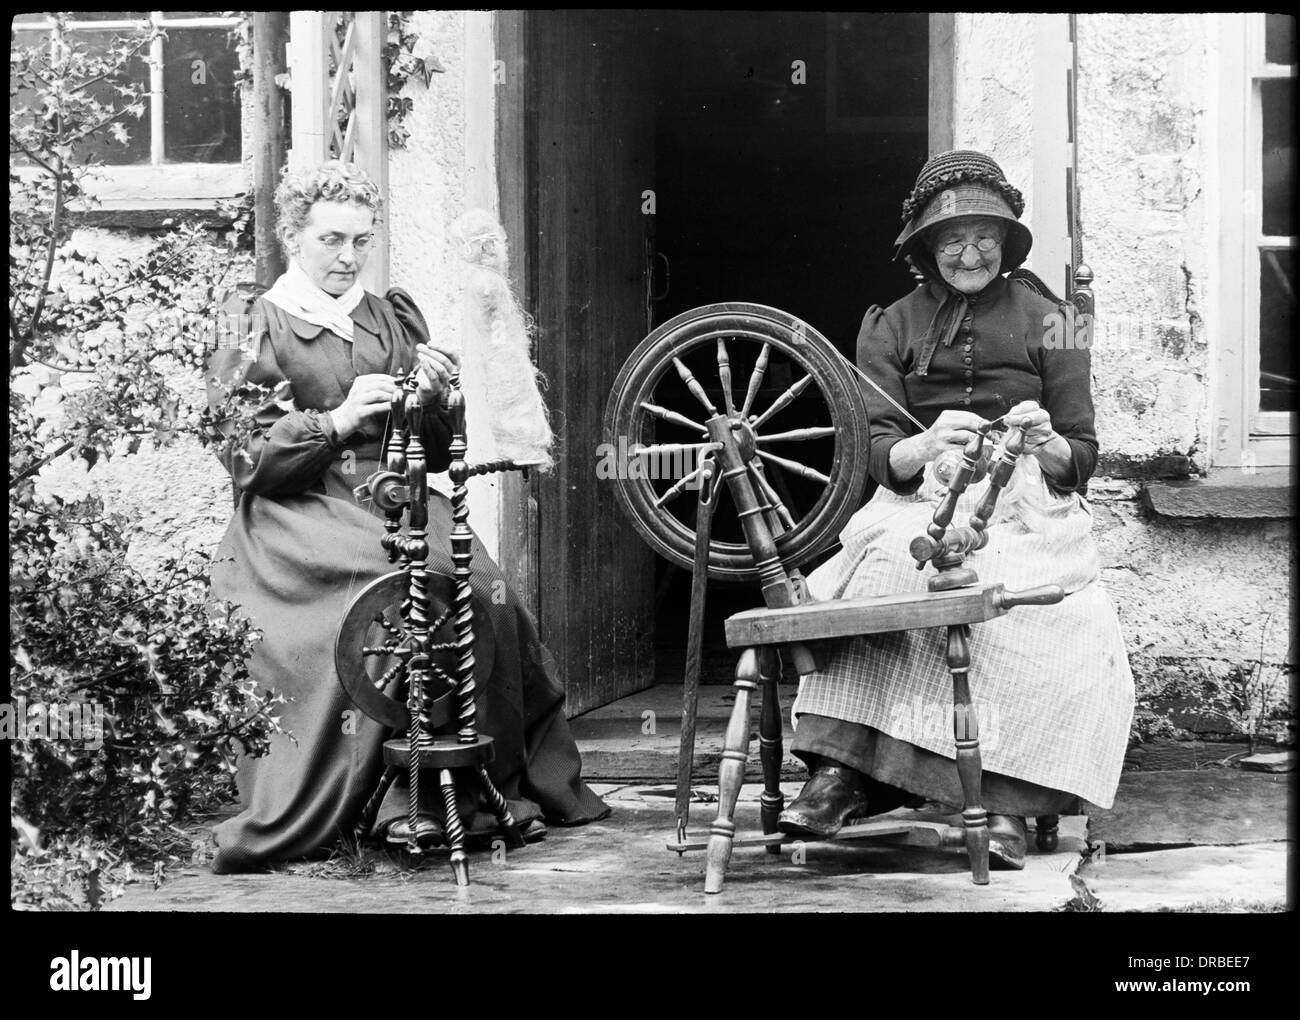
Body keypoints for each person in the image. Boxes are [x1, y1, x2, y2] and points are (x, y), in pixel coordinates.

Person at [205, 161, 607, 874]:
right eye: (331, 240)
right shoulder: (256, 320)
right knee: (401, 594)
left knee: (483, 590)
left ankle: (472, 788)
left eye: (361, 240)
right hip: (297, 516)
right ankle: (399, 801)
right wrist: (336, 420)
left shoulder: (387, 314)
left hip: (391, 496)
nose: (347, 257)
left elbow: (428, 446)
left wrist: (430, 398)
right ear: (292, 235)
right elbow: (246, 461)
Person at [779, 150, 1134, 868]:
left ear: (1005, 245)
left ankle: (1001, 797)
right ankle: (842, 774)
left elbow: (1084, 455)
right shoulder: (889, 325)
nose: (969, 253)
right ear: (924, 248)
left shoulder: (1055, 320)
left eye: (984, 239)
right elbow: (874, 449)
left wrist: (1047, 443)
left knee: (1025, 602)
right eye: (951, 240)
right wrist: (921, 446)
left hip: (1029, 506)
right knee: (883, 571)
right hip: (921, 500)